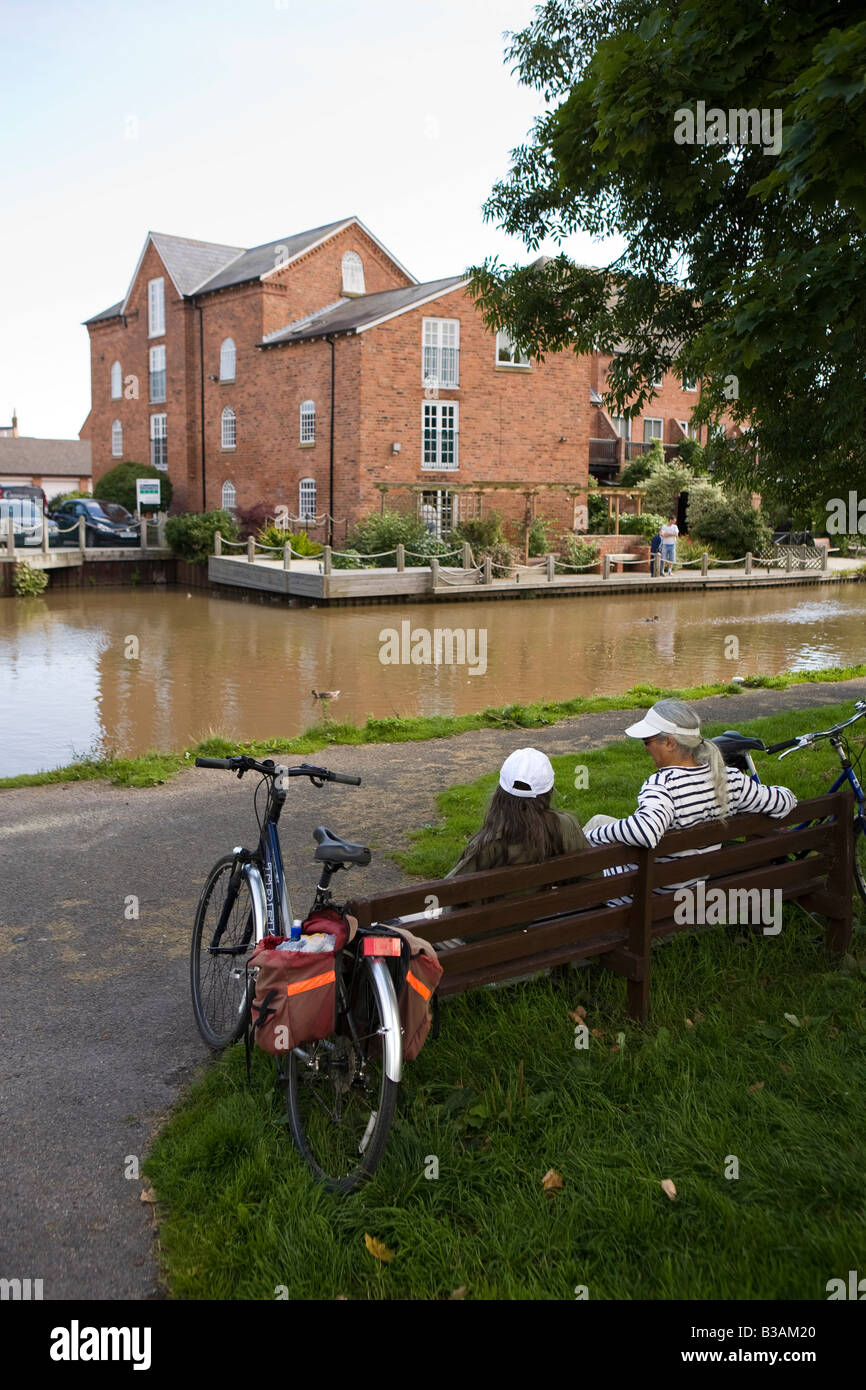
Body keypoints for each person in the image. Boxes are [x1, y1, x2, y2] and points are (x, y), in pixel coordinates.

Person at [583, 699, 797, 893]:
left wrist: (593, 837)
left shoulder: (662, 785)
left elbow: (645, 832)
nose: (646, 748)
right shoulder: (730, 778)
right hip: (692, 884)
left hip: (647, 893)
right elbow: (786, 802)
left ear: (669, 743)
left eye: (647, 741)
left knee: (589, 832)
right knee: (598, 821)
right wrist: (783, 792)